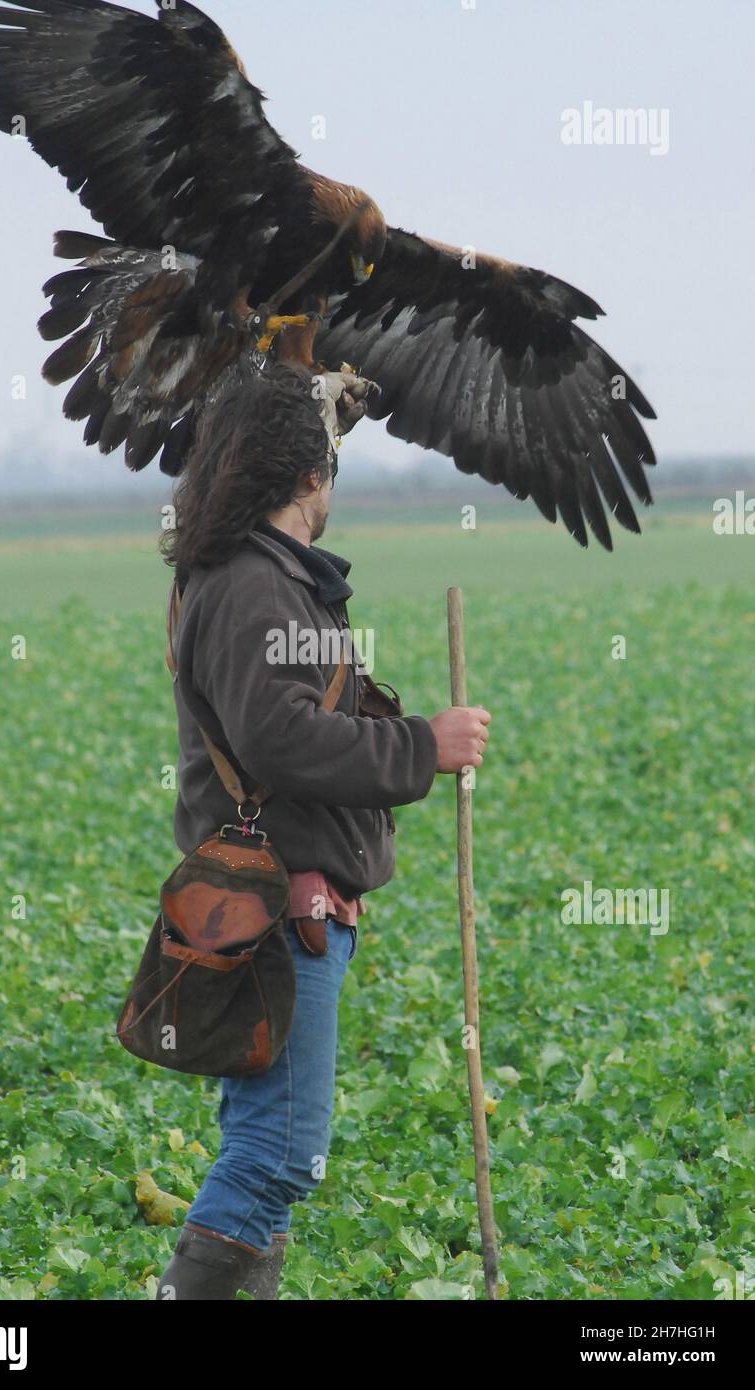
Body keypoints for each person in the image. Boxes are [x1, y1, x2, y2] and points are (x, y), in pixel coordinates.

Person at [155, 363, 491, 1300]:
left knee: (270, 1150)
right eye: (331, 459)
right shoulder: (256, 584)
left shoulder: (252, 574)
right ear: (309, 476)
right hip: (276, 913)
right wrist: (422, 746)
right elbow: (280, 736)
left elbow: (287, 721)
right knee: (278, 1156)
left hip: (273, 909)